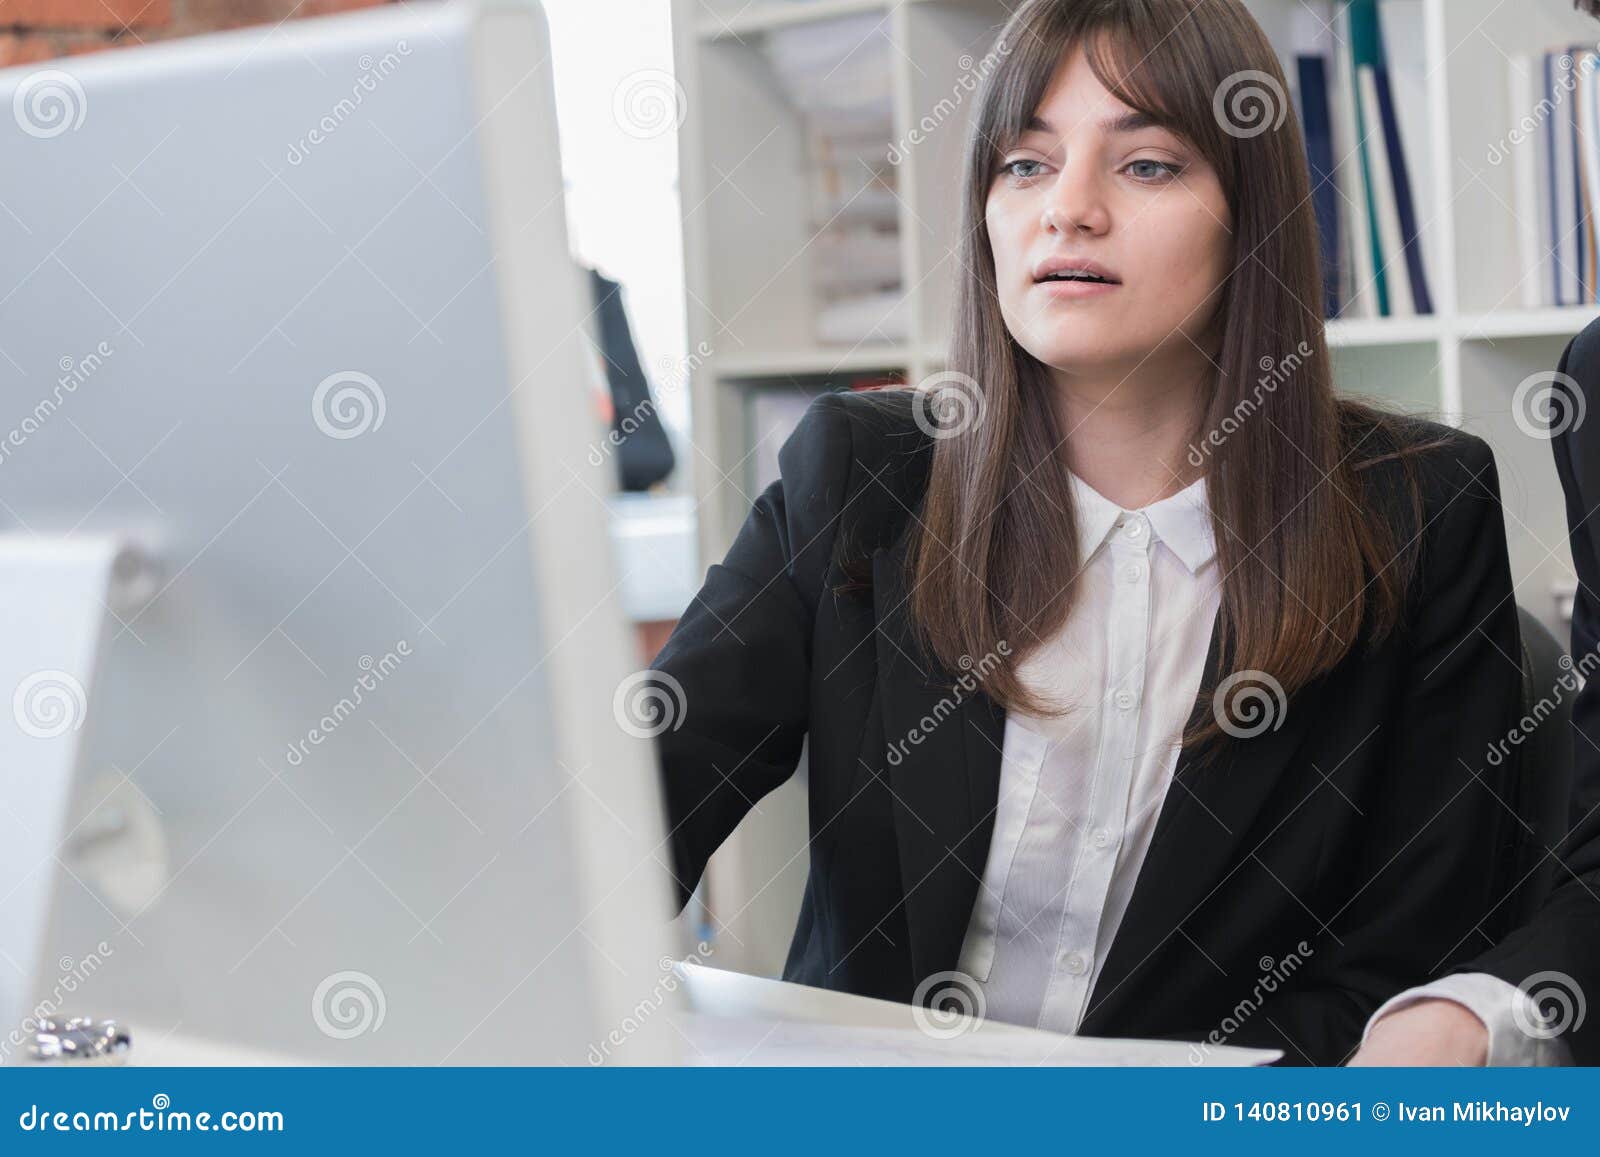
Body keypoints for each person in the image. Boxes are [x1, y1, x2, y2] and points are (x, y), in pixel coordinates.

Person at [643, 0, 1537, 1065]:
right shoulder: (860, 475)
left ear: (1249, 215)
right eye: (1023, 165)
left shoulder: (1418, 511)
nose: (1067, 210)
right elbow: (646, 803)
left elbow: (1407, 956)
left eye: (1146, 165)